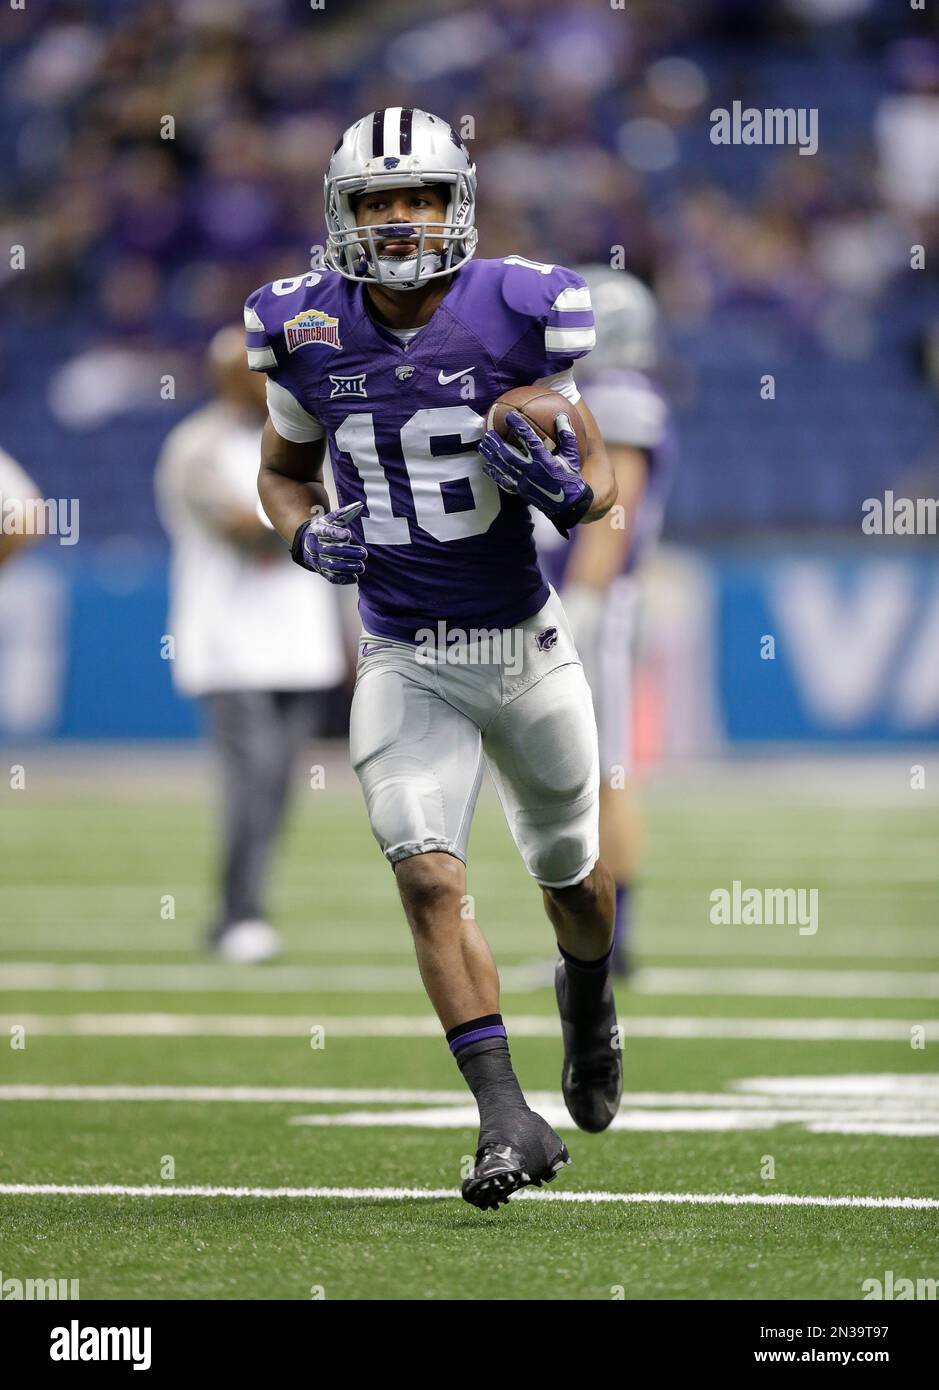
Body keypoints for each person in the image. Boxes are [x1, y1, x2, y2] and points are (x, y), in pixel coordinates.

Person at [247, 108, 622, 1210]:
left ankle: (589, 999)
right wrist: (306, 532)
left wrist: (575, 493)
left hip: (521, 646)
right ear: (343, 216)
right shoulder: (301, 327)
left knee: (575, 880)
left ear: (457, 203)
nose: (401, 219)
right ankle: (505, 1114)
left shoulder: (523, 311)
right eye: (378, 201)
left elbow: (599, 480)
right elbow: (280, 468)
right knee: (424, 872)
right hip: (403, 651)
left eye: (419, 197)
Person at [155, 326, 344, 964]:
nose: (259, 379)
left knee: (279, 786)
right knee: (251, 778)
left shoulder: (305, 438)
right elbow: (238, 526)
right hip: (228, 643)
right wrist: (304, 519)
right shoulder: (196, 445)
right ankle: (240, 912)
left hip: (302, 640)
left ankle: (243, 908)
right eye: (245, 370)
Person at [533, 267, 677, 977]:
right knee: (577, 776)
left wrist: (581, 602)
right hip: (591, 602)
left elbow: (607, 513)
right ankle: (591, 945)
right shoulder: (605, 394)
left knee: (604, 773)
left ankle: (612, 950)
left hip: (599, 605)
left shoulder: (618, 397)